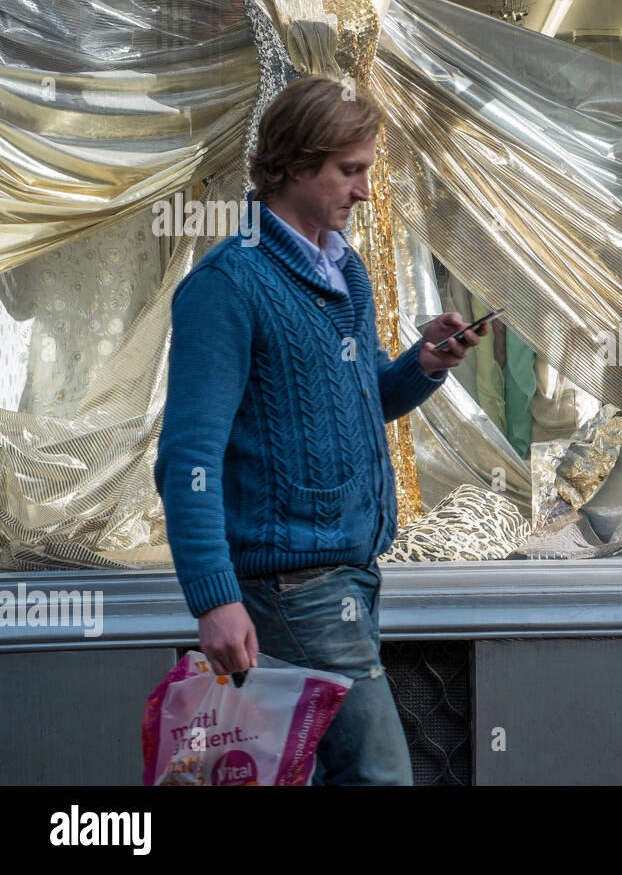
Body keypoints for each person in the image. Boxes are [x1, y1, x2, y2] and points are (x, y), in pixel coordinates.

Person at [154, 75, 484, 785]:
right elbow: (187, 459)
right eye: (351, 170)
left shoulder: (346, 272)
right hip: (291, 587)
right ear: (295, 165)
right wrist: (214, 598)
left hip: (350, 578)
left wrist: (424, 364)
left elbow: (356, 403)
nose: (365, 190)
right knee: (380, 775)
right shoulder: (228, 284)